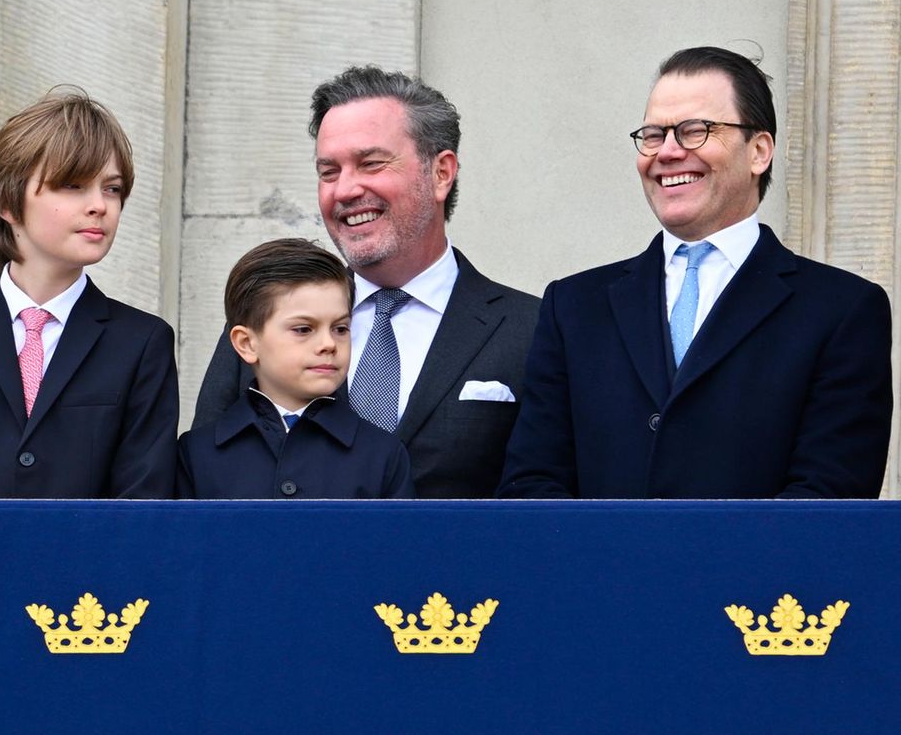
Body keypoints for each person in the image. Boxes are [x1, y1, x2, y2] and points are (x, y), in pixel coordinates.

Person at [499, 46, 892, 498]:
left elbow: (826, 499)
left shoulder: (840, 310)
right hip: (601, 569)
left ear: (759, 151)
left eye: (694, 131)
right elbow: (532, 484)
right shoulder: (575, 306)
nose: (666, 152)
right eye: (652, 135)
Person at [193, 66, 539, 497]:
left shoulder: (533, 329)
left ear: (441, 173)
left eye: (370, 163)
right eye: (328, 171)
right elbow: (207, 478)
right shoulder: (266, 317)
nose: (345, 190)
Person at [0, 90, 178, 498]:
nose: (100, 205)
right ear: (8, 200)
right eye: (73, 185)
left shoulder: (143, 342)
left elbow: (144, 504)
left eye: (111, 188)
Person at [178, 239, 412, 498]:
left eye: (341, 329)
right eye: (303, 329)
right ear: (247, 343)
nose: (328, 344)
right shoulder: (195, 454)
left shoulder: (383, 455)